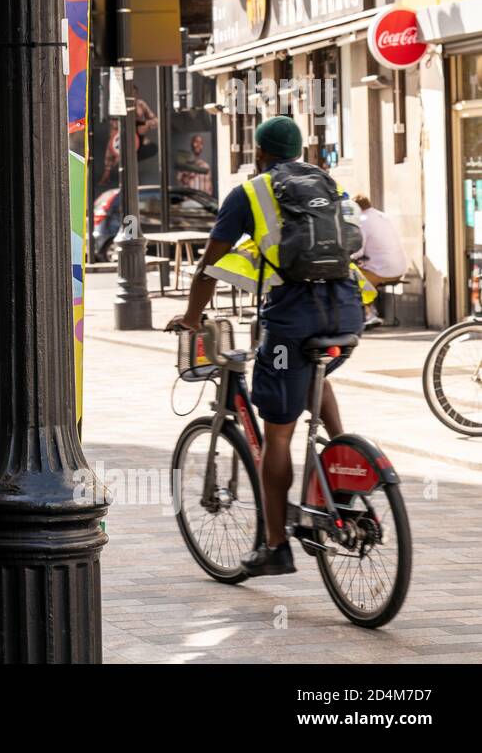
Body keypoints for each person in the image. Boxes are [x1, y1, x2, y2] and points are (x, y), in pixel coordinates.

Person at [164, 116, 366, 577]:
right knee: (314, 374)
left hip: (294, 318)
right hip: (346, 310)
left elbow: (209, 266)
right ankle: (343, 464)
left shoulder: (250, 193)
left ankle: (275, 546)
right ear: (299, 151)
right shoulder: (325, 182)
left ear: (259, 152)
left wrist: (192, 318)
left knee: (278, 435)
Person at [351, 194, 408, 328]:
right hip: (400, 269)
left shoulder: (362, 220)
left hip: (382, 271)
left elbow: (358, 251)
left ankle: (369, 314)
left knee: (353, 276)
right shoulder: (382, 216)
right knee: (363, 273)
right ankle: (371, 312)